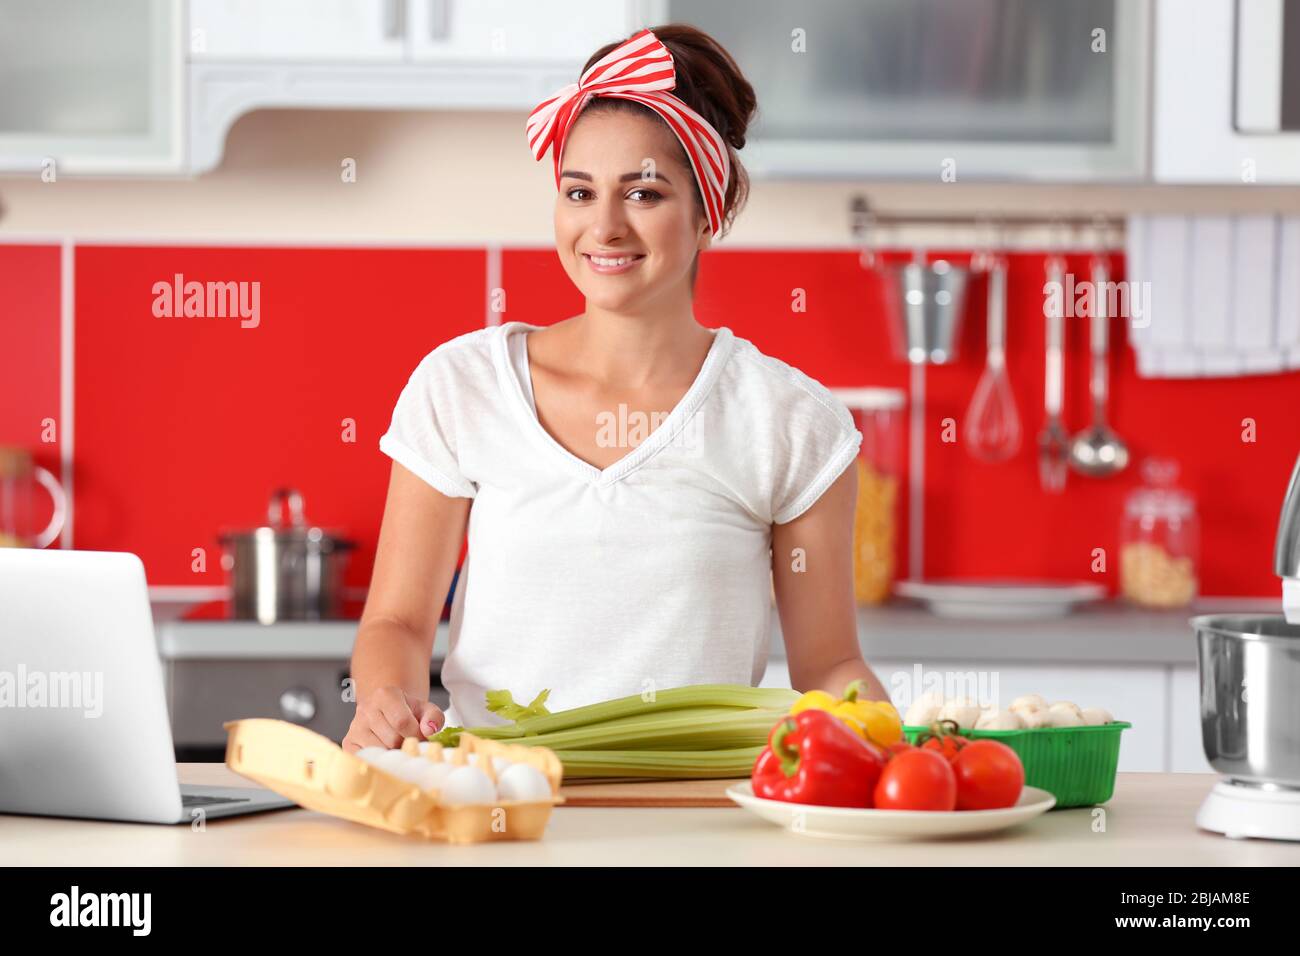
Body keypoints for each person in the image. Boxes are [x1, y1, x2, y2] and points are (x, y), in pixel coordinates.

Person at [344, 24, 887, 752]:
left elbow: (830, 666)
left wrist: (901, 757)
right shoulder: (462, 386)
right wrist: (386, 700)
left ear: (708, 212)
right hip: (495, 805)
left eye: (643, 192)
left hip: (700, 820)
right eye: (579, 191)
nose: (604, 227)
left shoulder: (790, 423)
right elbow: (398, 625)